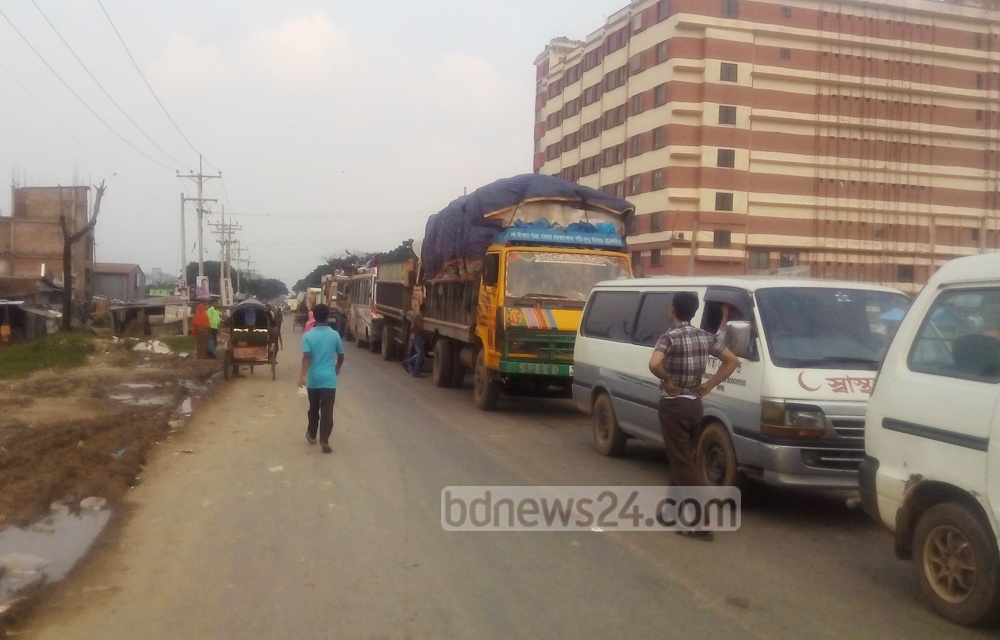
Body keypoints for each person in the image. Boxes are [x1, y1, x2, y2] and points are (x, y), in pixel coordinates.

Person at [648, 292, 741, 542]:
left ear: (673, 310)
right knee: (683, 458)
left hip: (673, 406)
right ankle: (670, 510)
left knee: (683, 463)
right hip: (695, 405)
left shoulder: (669, 337)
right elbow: (732, 360)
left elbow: (654, 364)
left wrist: (666, 380)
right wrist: (709, 384)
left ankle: (702, 520)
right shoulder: (705, 337)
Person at [298, 303, 345, 454]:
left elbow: (306, 357)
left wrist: (302, 376)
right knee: (327, 410)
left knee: (313, 408)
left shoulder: (308, 336)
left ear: (314, 317)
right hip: (329, 380)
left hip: (313, 379)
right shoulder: (334, 334)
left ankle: (312, 435)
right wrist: (337, 367)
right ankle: (324, 439)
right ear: (328, 316)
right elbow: (341, 355)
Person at [401, 304, 427, 378]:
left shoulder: (416, 315)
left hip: (413, 336)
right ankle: (416, 371)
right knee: (421, 354)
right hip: (417, 336)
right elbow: (420, 328)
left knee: (420, 354)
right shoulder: (420, 317)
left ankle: (406, 363)